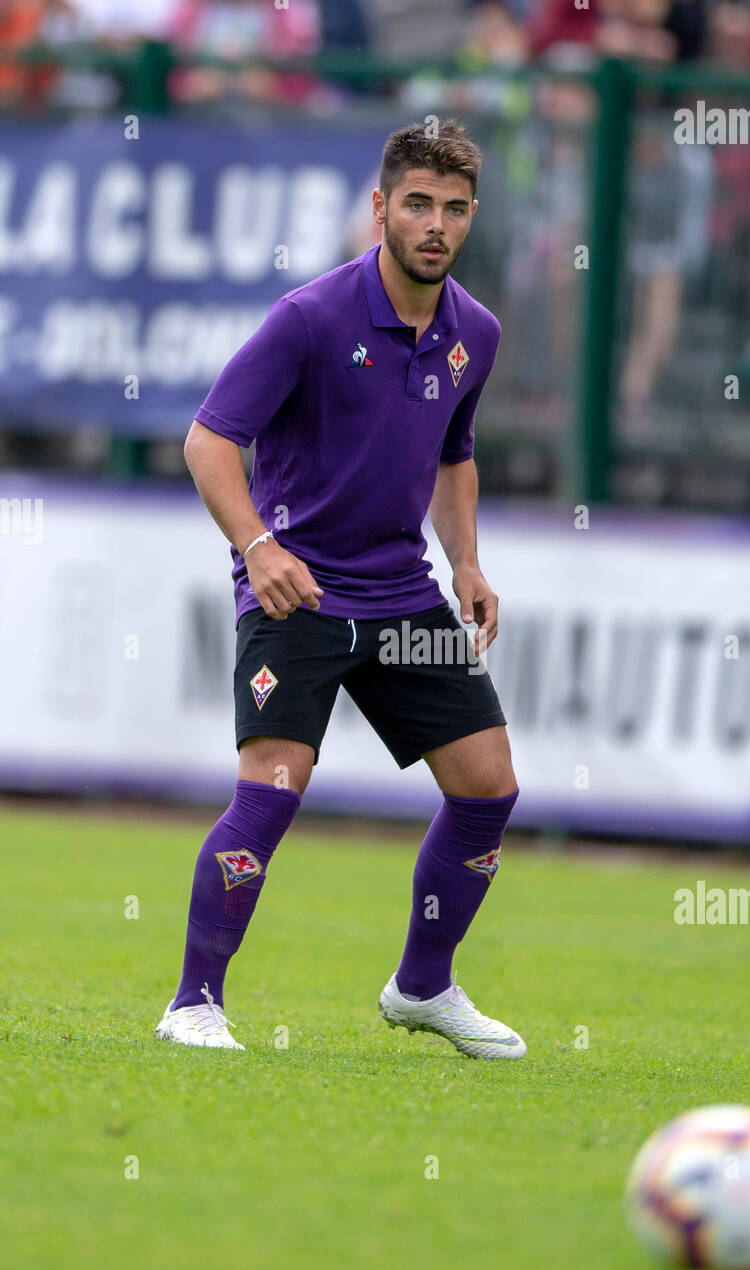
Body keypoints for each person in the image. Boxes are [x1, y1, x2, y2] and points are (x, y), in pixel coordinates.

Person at [155, 121, 527, 1061]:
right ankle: (194, 1001)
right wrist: (257, 546)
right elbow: (209, 441)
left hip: (403, 591)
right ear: (380, 208)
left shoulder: (472, 334)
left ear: (470, 217)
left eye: (453, 209)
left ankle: (424, 986)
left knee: (490, 789)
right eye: (417, 205)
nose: (434, 225)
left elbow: (454, 454)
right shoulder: (310, 318)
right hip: (300, 594)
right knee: (273, 791)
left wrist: (469, 563)